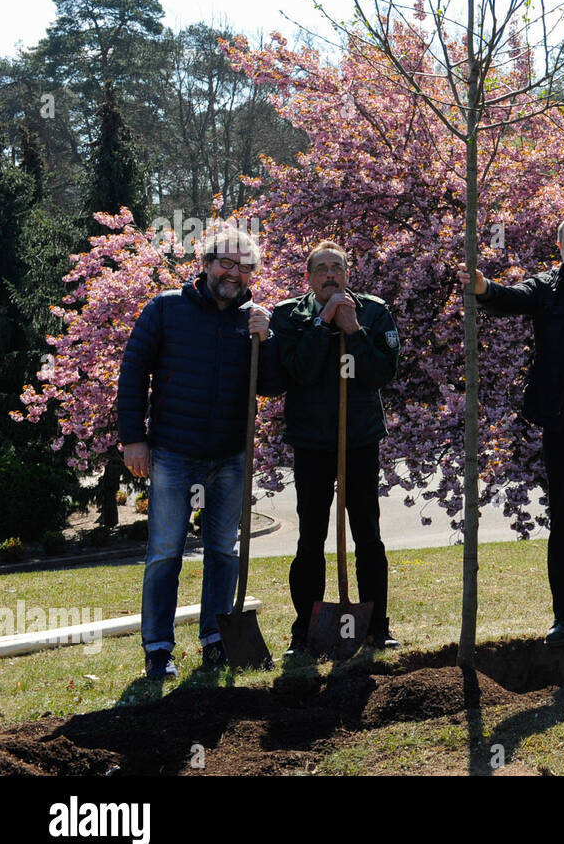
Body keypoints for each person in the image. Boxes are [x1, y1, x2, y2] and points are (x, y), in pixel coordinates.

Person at [118, 227, 279, 679]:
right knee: (166, 551)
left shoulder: (254, 320)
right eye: (227, 263)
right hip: (173, 452)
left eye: (245, 267)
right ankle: (158, 649)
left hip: (229, 455)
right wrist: (134, 437)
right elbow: (133, 373)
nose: (235, 273)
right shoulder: (166, 309)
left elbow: (270, 386)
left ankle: (216, 640)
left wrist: (267, 341)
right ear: (205, 263)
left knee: (223, 553)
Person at [458, 214, 564, 646]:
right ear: (559, 248)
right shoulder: (546, 288)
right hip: (563, 424)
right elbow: (512, 298)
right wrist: (484, 288)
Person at [272, 240, 401, 654]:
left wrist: (353, 331)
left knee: (368, 534)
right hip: (311, 442)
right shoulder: (289, 316)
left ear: (348, 274)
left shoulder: (374, 311)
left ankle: (376, 624)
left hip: (359, 439)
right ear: (308, 278)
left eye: (338, 268)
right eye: (322, 269)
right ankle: (304, 630)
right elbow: (298, 372)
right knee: (310, 537)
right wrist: (323, 325)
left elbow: (382, 373)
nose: (331, 275)